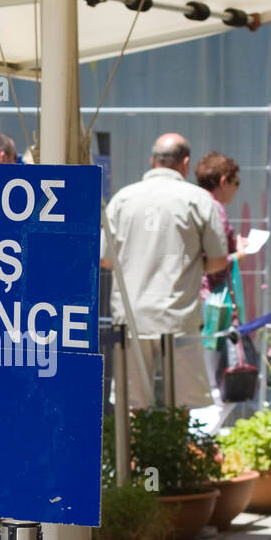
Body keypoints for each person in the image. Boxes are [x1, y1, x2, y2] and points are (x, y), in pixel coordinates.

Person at [102, 133, 228, 408]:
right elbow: (219, 261)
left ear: (152, 160)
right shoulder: (198, 200)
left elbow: (106, 260)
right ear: (185, 163)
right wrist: (193, 266)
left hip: (131, 316)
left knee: (131, 405)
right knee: (182, 404)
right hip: (178, 316)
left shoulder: (123, 199)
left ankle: (132, 452)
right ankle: (175, 452)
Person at [195, 152, 252, 405]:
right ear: (223, 180)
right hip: (214, 299)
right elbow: (215, 260)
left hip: (198, 295)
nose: (236, 190)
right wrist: (238, 253)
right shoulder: (214, 208)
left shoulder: (194, 202)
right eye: (236, 183)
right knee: (215, 370)